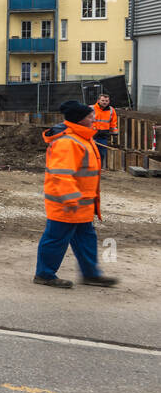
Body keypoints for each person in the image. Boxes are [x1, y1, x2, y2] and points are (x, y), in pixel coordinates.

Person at [34, 100, 118, 288]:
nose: (94, 118)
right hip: (67, 203)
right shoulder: (68, 142)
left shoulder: (82, 138)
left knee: (86, 238)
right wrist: (71, 199)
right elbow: (61, 175)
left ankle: (91, 274)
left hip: (80, 204)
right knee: (56, 239)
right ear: (80, 120)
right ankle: (44, 274)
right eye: (90, 116)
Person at [91, 92, 119, 164]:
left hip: (102, 136)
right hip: (91, 135)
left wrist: (115, 136)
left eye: (106, 101)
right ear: (98, 101)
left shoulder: (111, 110)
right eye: (103, 100)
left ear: (109, 101)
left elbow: (113, 124)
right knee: (90, 154)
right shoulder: (91, 108)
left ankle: (98, 170)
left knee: (101, 155)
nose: (104, 102)